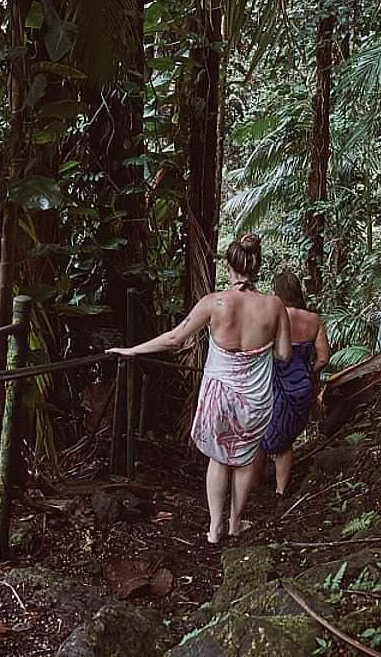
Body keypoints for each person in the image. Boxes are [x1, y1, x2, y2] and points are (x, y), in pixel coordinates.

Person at [108, 233, 291, 544]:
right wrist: (259, 349)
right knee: (245, 458)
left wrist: (133, 350)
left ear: (230, 268)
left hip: (218, 395)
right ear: (258, 267)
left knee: (219, 459)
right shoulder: (275, 306)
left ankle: (214, 528)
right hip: (256, 397)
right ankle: (235, 523)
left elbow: (174, 338)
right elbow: (284, 354)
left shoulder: (214, 303)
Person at [255, 271, 330, 497]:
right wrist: (307, 371)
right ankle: (280, 490)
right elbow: (324, 358)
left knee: (260, 434)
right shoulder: (313, 320)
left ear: (277, 292)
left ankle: (255, 487)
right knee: (286, 438)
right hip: (300, 387)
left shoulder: (273, 316)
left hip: (272, 382)